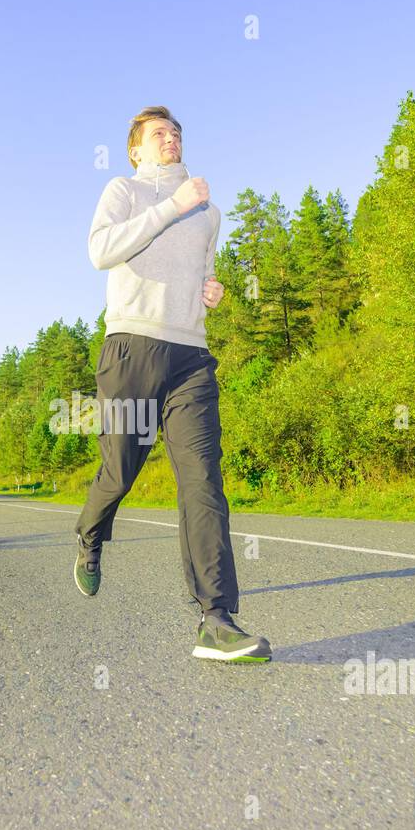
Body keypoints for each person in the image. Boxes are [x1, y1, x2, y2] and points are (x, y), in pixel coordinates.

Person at [72, 105, 271, 664]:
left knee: (203, 481)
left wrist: (213, 289)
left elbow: (205, 270)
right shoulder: (125, 191)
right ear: (136, 149)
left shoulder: (208, 211)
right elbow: (100, 252)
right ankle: (89, 533)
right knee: (121, 470)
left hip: (191, 357)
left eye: (177, 132)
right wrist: (169, 207)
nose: (171, 139)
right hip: (132, 347)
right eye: (159, 133)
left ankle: (216, 619)